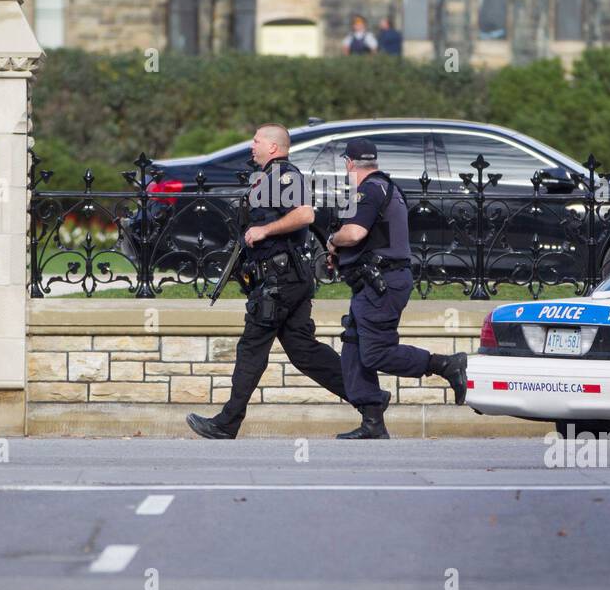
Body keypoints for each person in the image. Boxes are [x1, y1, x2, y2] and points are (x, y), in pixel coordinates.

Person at [187, 124, 349, 439]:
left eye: (256, 140)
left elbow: (304, 215)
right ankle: (370, 401)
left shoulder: (284, 176)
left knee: (251, 348)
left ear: (273, 147)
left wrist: (265, 230)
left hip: (281, 282)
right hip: (285, 279)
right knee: (305, 352)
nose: (251, 145)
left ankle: (226, 423)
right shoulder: (269, 178)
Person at [326, 138, 468, 439]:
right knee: (352, 348)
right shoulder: (389, 187)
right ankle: (372, 422)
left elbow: (354, 233)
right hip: (376, 281)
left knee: (376, 353)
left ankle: (444, 365)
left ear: (349, 164)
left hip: (381, 285)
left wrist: (333, 240)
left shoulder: (368, 190)